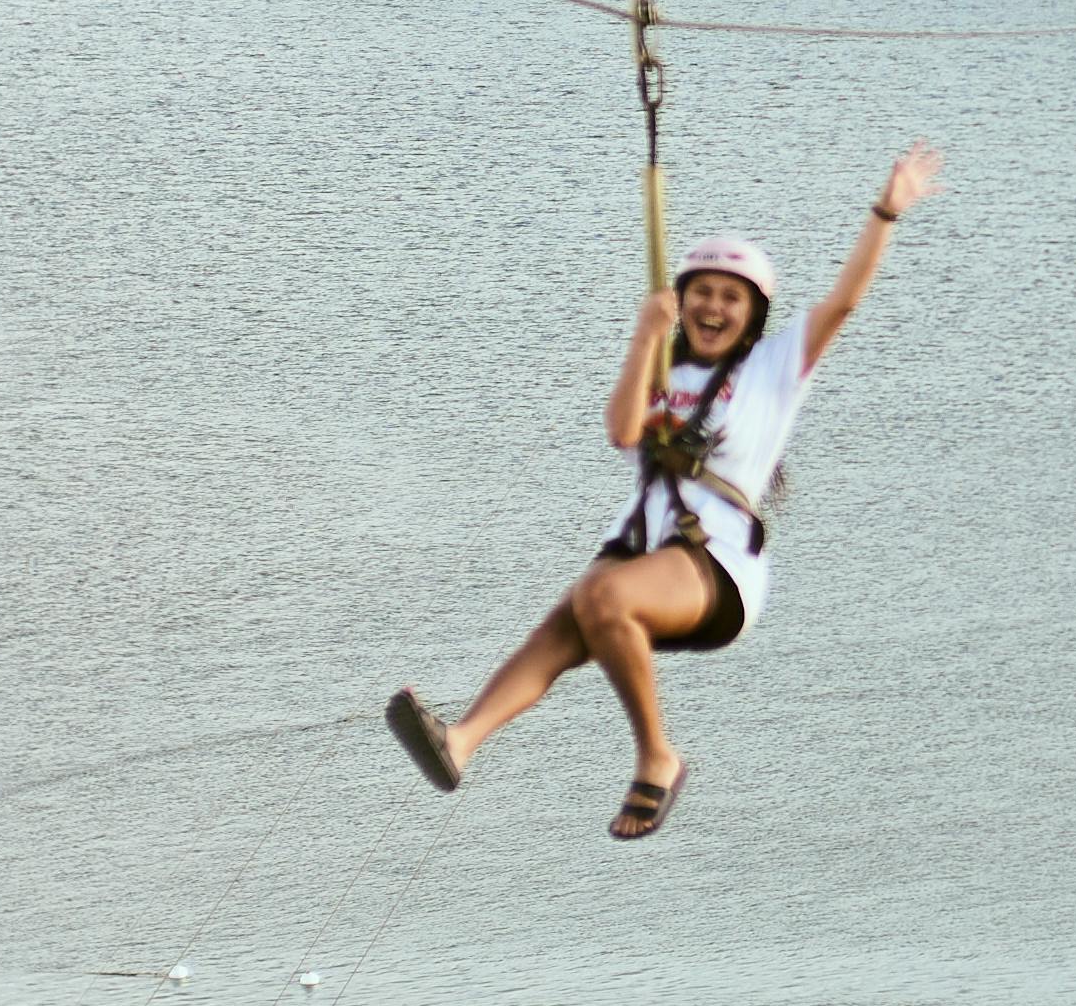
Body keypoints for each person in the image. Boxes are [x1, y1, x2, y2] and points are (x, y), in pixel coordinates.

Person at [385, 142, 946, 840]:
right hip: (642, 543)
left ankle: (658, 755)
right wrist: (643, 337)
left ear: (754, 314)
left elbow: (845, 301)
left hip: (717, 567)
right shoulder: (661, 365)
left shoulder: (774, 369)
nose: (714, 305)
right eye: (701, 293)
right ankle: (462, 741)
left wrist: (886, 211)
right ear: (681, 303)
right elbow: (622, 429)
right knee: (563, 629)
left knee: (601, 597)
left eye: (730, 297)